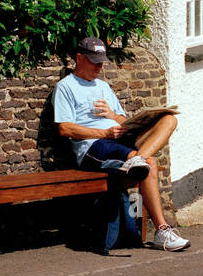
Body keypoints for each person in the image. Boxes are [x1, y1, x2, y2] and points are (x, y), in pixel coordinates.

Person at [53, 36, 191, 250]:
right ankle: (162, 231)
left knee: (169, 120)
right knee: (150, 164)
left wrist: (111, 114)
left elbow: (123, 121)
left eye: (101, 62)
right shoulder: (66, 87)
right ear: (79, 58)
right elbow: (65, 128)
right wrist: (104, 133)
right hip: (94, 145)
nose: (99, 66)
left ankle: (136, 160)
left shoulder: (103, 86)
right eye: (94, 61)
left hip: (118, 139)